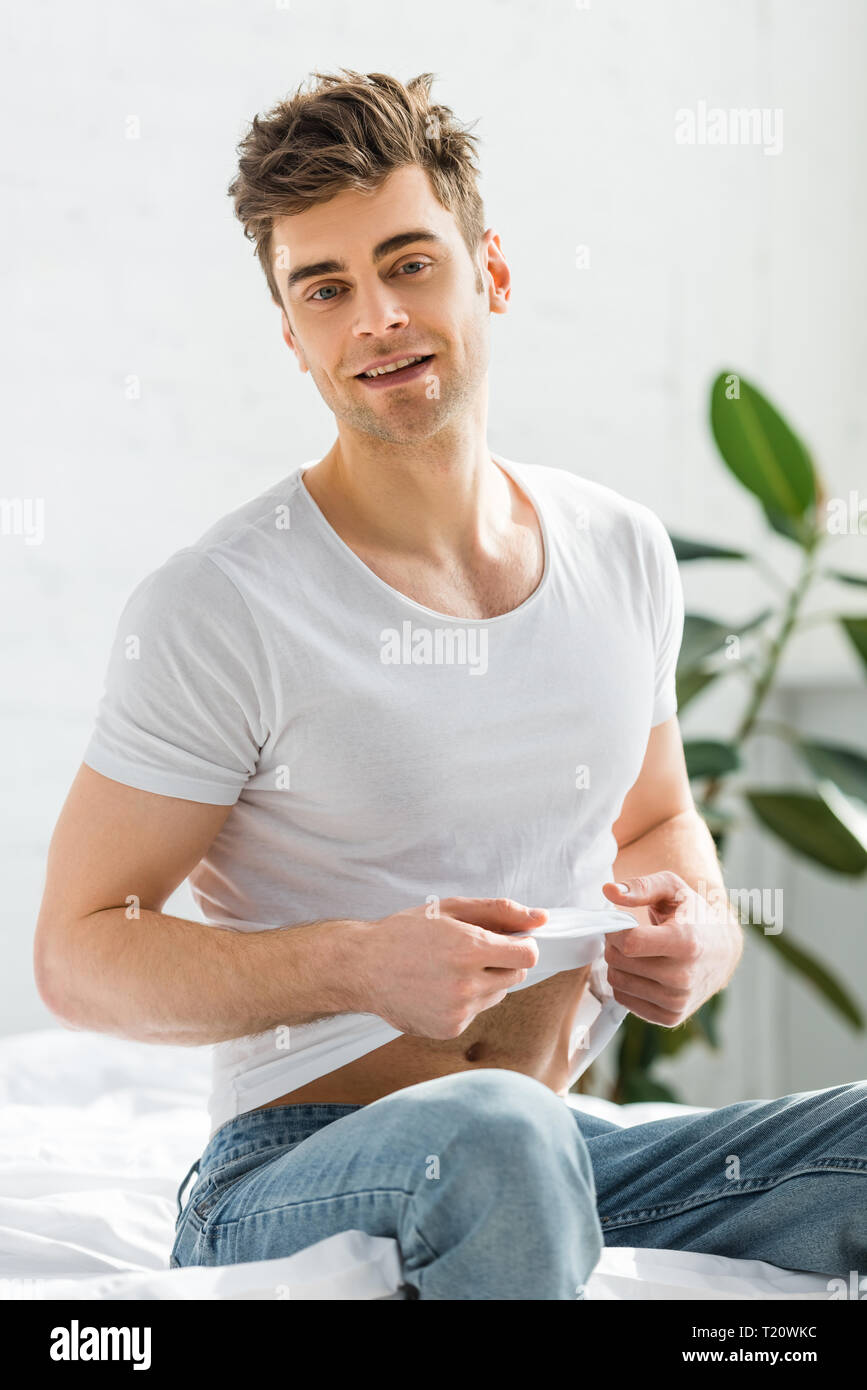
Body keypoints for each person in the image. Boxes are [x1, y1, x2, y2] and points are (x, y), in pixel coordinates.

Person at [34, 69, 864, 1300]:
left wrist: (701, 934)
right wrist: (357, 964)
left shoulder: (620, 549)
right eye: (326, 288)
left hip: (558, 1143)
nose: (375, 316)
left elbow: (658, 820)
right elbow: (78, 951)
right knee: (496, 1135)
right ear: (293, 333)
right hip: (292, 1166)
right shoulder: (218, 605)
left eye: (409, 263)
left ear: (493, 272)